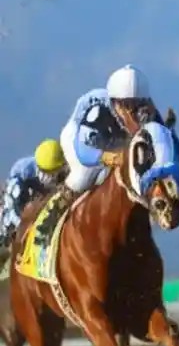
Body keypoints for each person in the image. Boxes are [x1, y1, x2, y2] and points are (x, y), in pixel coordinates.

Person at [42, 64, 159, 225]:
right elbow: (83, 152)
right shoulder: (98, 111)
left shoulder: (149, 111)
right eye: (126, 105)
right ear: (114, 102)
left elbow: (163, 140)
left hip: (113, 141)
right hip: (79, 140)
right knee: (84, 175)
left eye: (138, 104)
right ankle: (50, 218)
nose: (133, 111)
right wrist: (106, 157)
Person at [1, 139, 68, 249]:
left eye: (58, 172)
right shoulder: (18, 179)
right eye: (51, 174)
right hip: (13, 219)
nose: (55, 178)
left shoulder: (60, 164)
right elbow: (14, 211)